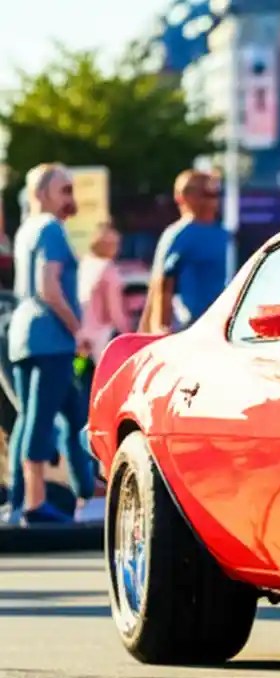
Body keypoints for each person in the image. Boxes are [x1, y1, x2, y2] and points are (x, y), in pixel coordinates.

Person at [4, 163, 98, 524]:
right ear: (41, 194)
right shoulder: (50, 229)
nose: (71, 199)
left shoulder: (28, 229)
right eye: (64, 190)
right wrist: (78, 330)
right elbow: (49, 285)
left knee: (65, 416)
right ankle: (32, 502)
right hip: (50, 338)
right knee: (40, 419)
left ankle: (77, 496)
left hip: (26, 335)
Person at [141, 171, 234, 334]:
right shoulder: (178, 235)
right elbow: (161, 284)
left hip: (223, 324)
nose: (211, 200)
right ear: (182, 197)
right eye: (204, 194)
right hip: (190, 327)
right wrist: (159, 328)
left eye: (214, 194)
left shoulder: (224, 234)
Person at [77, 219, 133, 370]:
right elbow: (114, 311)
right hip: (102, 341)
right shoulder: (108, 269)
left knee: (80, 377)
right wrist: (128, 335)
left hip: (81, 339)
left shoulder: (84, 264)